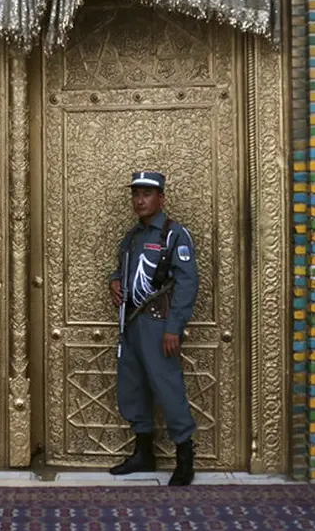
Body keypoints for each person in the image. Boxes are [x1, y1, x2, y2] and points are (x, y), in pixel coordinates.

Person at [108, 170, 199, 486]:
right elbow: (121, 270)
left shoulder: (174, 235)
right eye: (136, 194)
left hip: (159, 326)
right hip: (131, 323)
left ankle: (185, 456)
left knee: (167, 388)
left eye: (147, 194)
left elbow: (187, 283)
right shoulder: (132, 237)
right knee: (132, 388)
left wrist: (174, 327)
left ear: (161, 198)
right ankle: (143, 452)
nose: (140, 200)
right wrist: (114, 282)